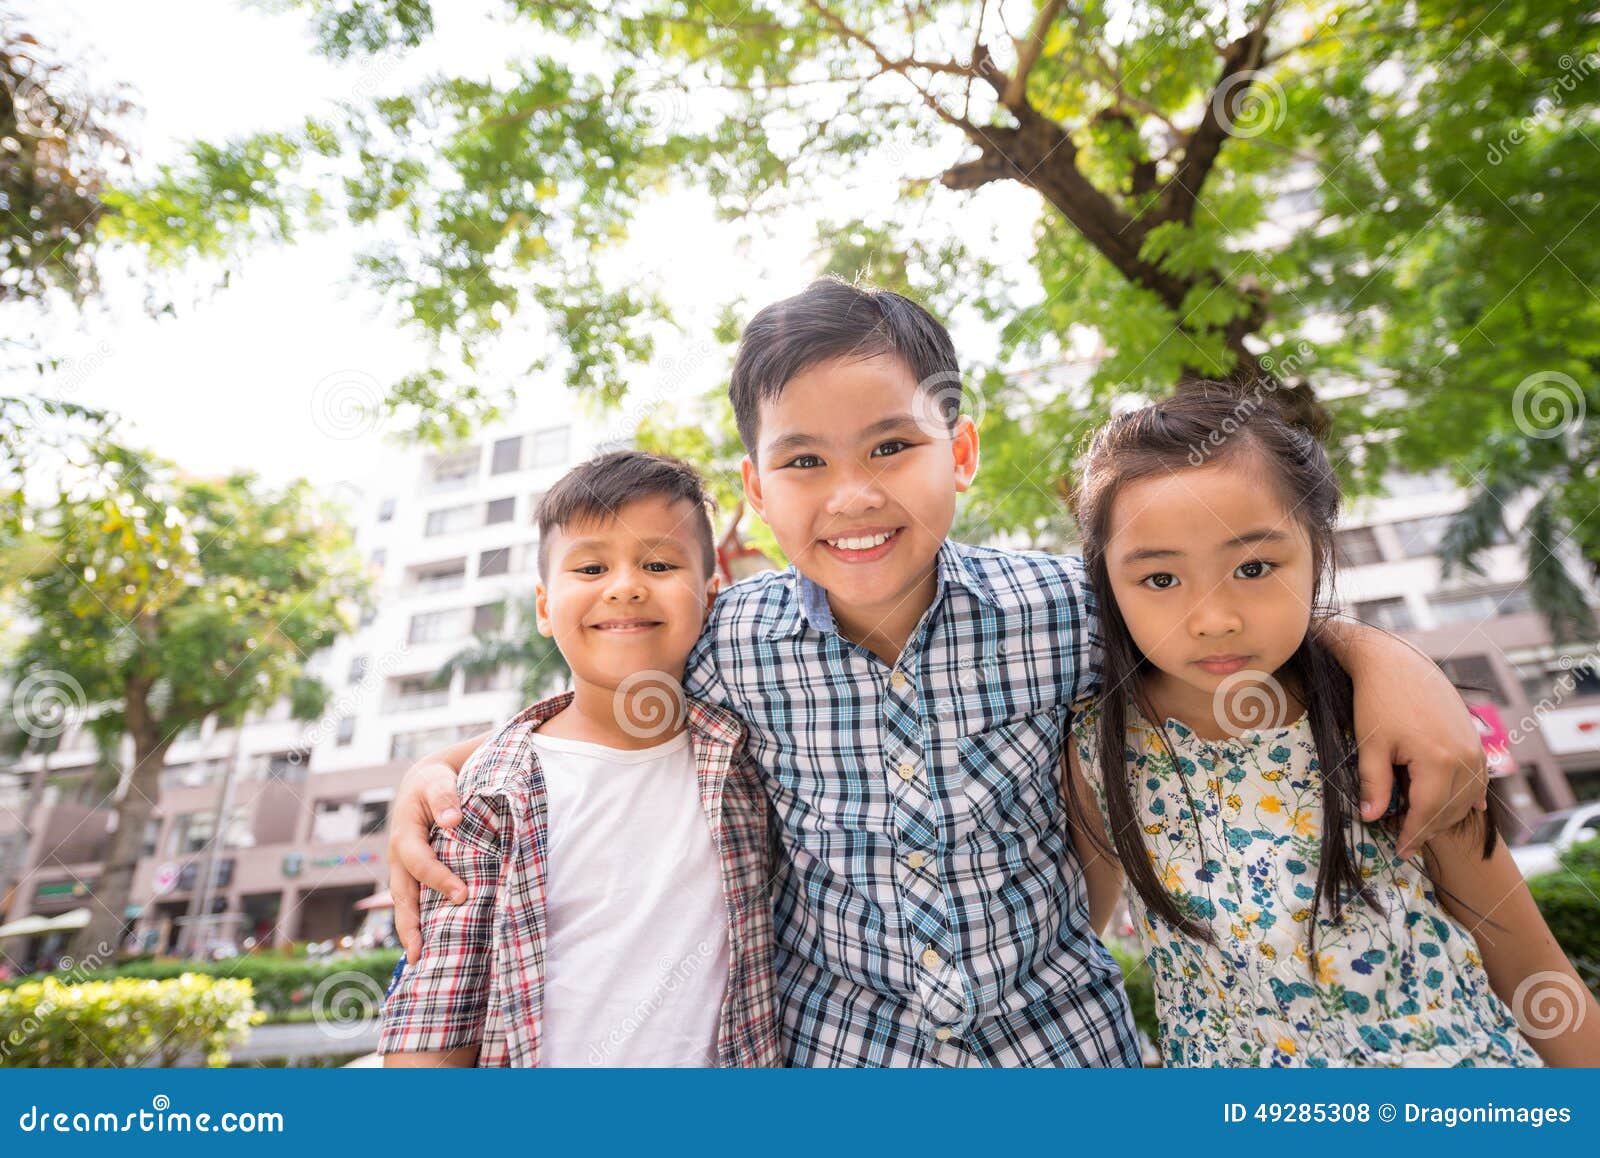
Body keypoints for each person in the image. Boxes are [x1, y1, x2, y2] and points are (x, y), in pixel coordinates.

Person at [389, 279, 1493, 1067]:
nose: (852, 495)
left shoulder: (1065, 610)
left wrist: (1372, 650)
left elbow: (1216, 621)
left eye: (890, 447)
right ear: (757, 494)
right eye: (803, 462)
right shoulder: (729, 643)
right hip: (842, 1062)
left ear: (958, 453)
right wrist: (436, 775)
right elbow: (601, 711)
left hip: (1062, 1051)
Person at [1064, 385, 1600, 1066]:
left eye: (1253, 567)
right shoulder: (1098, 755)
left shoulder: (1386, 726)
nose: (1214, 618)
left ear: (1317, 548)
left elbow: (1533, 971)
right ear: (1104, 582)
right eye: (1161, 579)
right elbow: (1067, 949)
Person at [379, 451, 780, 1067]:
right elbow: (436, 1028)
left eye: (659, 563)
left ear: (710, 596)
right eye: (591, 566)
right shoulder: (486, 797)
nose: (625, 585)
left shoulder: (747, 759)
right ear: (544, 605)